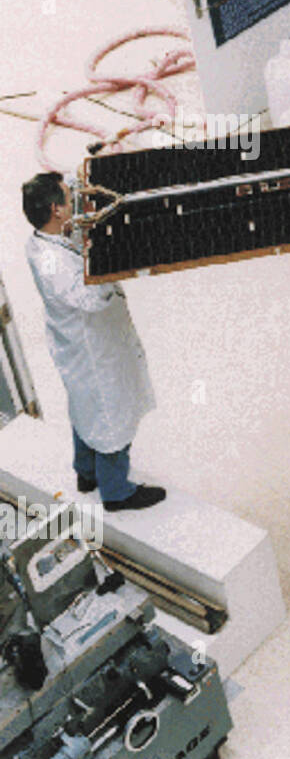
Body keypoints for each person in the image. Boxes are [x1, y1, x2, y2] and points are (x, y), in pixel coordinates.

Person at [21, 173, 165, 512]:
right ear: (56, 210)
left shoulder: (45, 238)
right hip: (94, 348)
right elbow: (88, 297)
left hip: (76, 342)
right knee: (110, 412)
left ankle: (87, 473)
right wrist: (113, 264)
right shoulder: (51, 261)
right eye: (68, 198)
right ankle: (117, 492)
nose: (74, 199)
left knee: (86, 410)